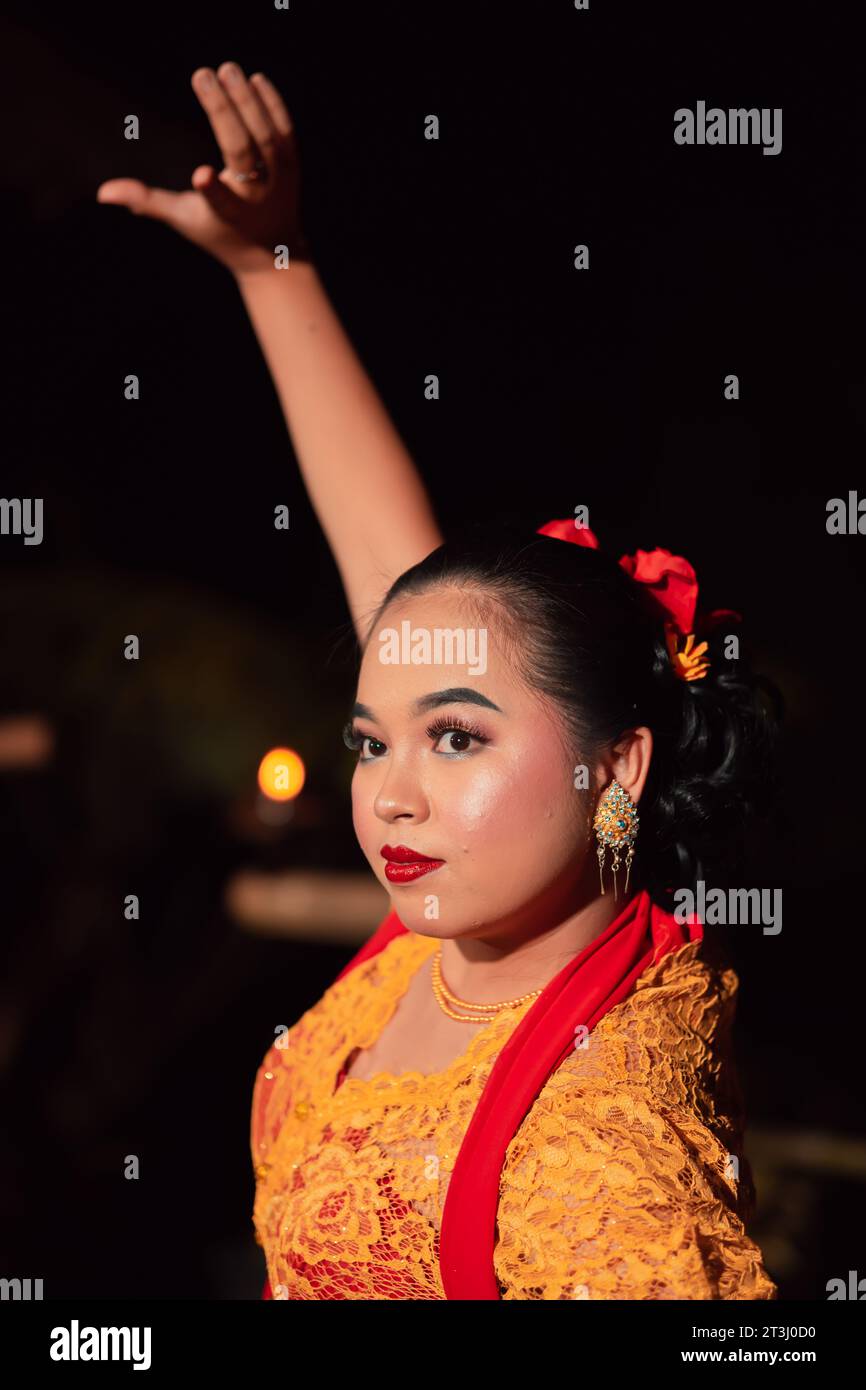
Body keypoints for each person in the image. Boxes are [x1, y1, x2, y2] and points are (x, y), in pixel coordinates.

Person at [97, 62, 780, 1300]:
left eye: (455, 740)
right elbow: (390, 577)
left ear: (611, 763)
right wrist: (271, 267)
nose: (388, 798)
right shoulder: (470, 929)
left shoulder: (600, 1147)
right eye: (371, 742)